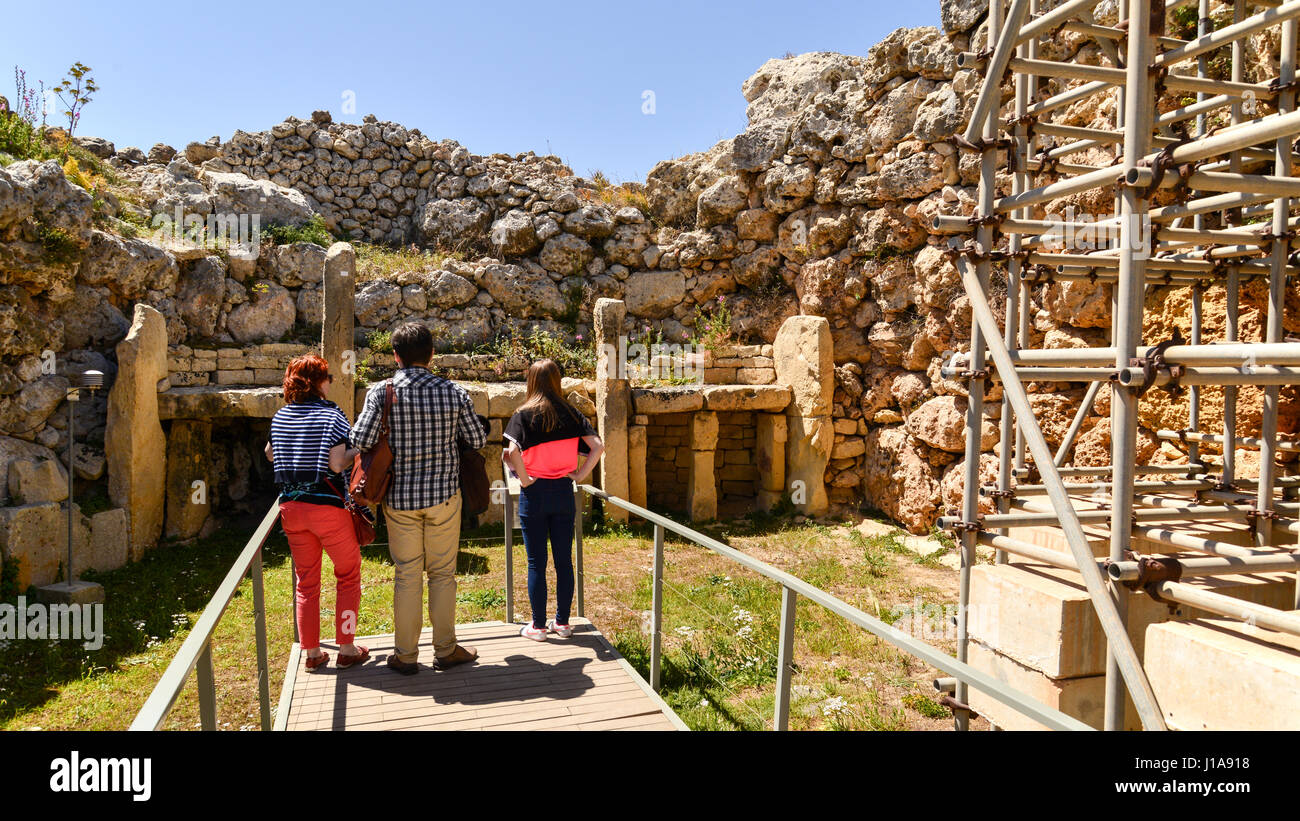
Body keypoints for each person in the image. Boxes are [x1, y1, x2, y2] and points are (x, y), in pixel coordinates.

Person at [353, 322, 487, 675]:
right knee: (443, 574)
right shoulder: (454, 393)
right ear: (432, 355)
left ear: (396, 355)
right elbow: (476, 440)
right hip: (444, 496)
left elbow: (362, 438)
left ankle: (405, 655)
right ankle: (445, 649)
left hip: (399, 499)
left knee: (406, 576)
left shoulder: (381, 393)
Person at [265, 354, 367, 671]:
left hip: (291, 509)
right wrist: (359, 448)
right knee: (348, 575)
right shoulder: (331, 415)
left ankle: (311, 654)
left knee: (306, 583)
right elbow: (337, 463)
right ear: (318, 382)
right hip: (327, 508)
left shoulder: (281, 416)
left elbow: (270, 454)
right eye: (327, 377)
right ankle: (347, 648)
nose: (330, 382)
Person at [502, 359, 605, 642]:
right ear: (558, 381)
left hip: (534, 494)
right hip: (562, 491)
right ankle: (562, 623)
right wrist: (580, 474)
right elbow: (597, 446)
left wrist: (524, 480)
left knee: (536, 562)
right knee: (564, 562)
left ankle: (537, 626)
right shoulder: (572, 414)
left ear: (531, 381)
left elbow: (511, 453)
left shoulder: (522, 415)